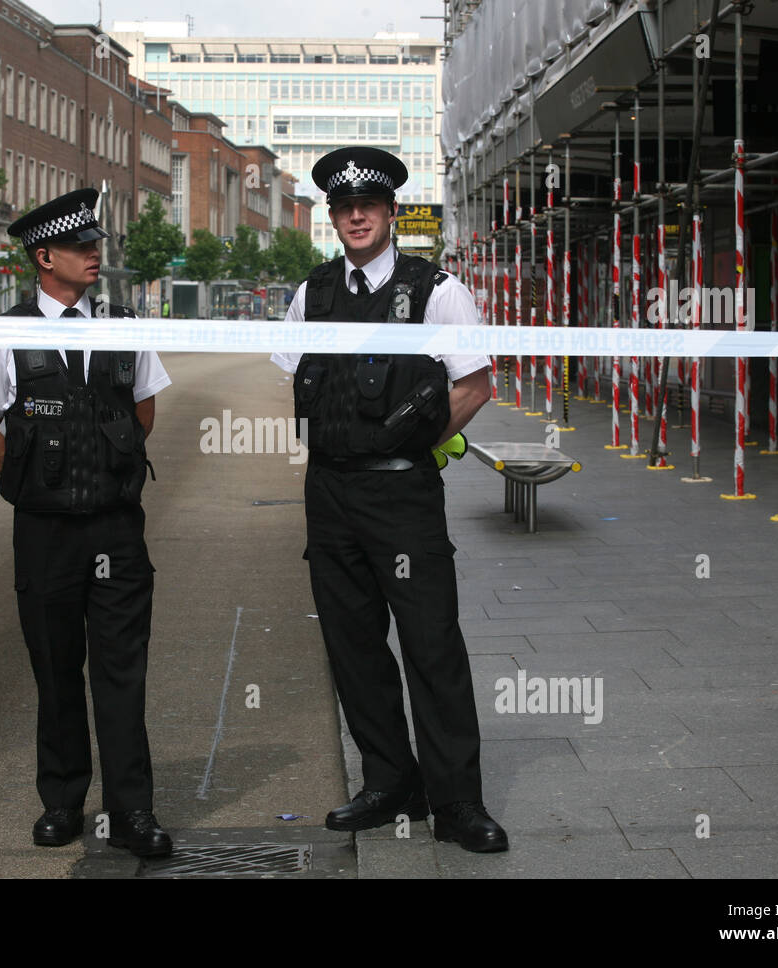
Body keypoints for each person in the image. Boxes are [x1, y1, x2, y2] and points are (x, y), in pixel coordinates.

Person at [270, 148, 508, 853]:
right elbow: (293, 372)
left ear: (390, 213)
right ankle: (388, 780)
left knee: (431, 645)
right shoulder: (311, 292)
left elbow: (474, 383)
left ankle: (458, 801)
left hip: (402, 491)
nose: (355, 216)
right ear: (332, 218)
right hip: (331, 492)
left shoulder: (436, 290)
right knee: (353, 646)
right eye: (343, 208)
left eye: (367, 205)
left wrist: (425, 446)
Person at [0, 188, 173, 858]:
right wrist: (30, 483)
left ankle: (132, 811)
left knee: (122, 671)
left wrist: (102, 471)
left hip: (115, 528)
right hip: (45, 534)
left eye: (94, 244)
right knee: (54, 669)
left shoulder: (122, 325)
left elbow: (143, 409)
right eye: (82, 247)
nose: (93, 255)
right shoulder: (8, 333)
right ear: (44, 257)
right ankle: (62, 801)